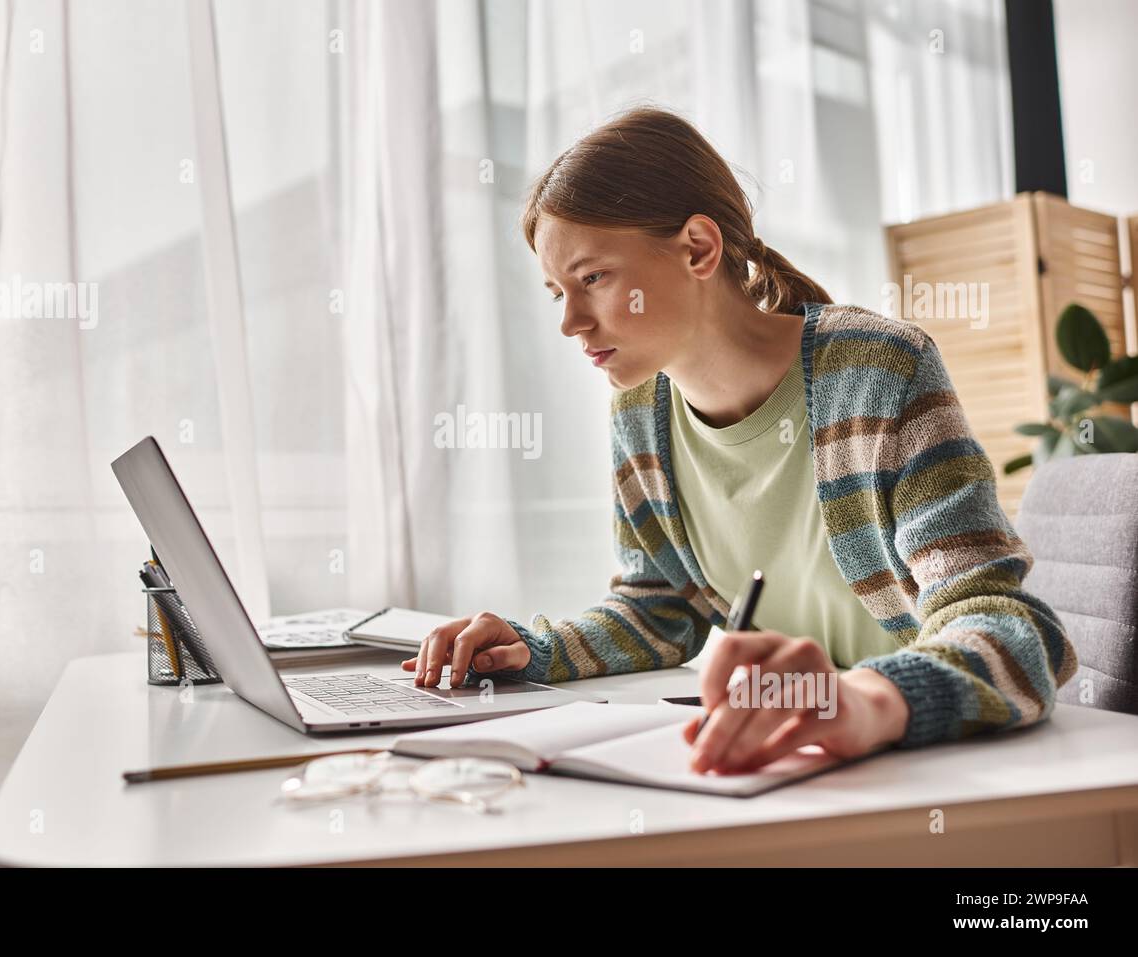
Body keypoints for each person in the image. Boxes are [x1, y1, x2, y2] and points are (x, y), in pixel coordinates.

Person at [401, 106, 1077, 776]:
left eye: (593, 278)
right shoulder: (640, 414)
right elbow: (661, 608)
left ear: (698, 246)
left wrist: (865, 699)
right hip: (789, 766)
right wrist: (533, 648)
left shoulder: (880, 370)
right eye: (558, 293)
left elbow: (1015, 633)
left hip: (927, 762)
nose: (571, 322)